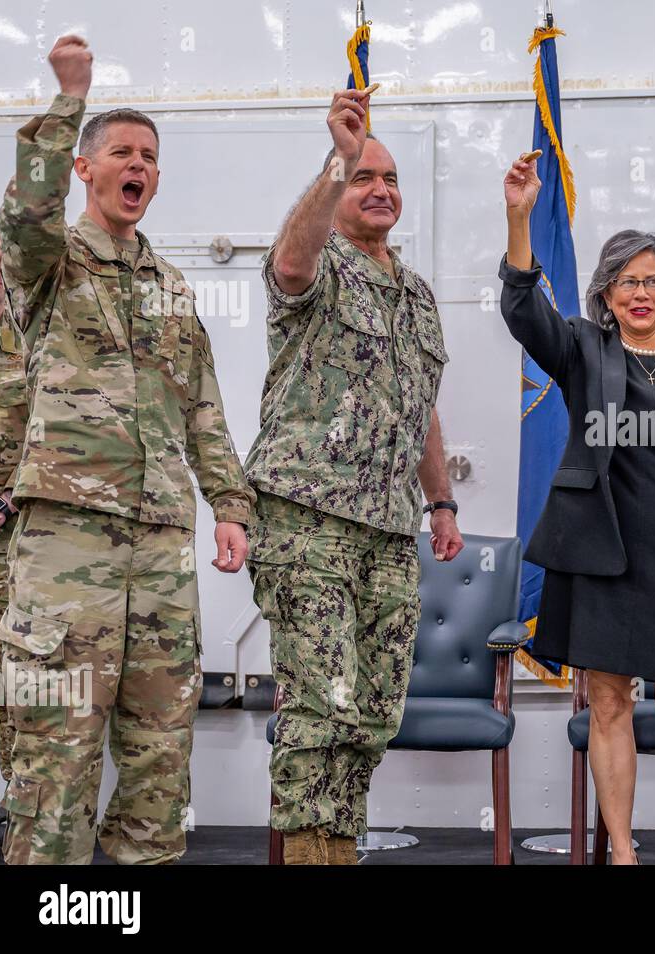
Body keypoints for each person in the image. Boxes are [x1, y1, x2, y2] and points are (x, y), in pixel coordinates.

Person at [0, 35, 255, 864]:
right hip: (64, 550)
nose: (138, 166)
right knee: (55, 761)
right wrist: (70, 99)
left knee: (159, 760)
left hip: (160, 552)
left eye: (150, 156)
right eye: (121, 153)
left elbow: (204, 409)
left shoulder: (173, 286)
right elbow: (23, 215)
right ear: (86, 169)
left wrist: (232, 508)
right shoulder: (48, 265)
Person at [500, 155, 655, 865]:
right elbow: (523, 309)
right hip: (599, 558)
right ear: (605, 296)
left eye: (652, 280)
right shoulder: (583, 350)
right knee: (607, 706)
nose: (640, 292)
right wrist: (520, 217)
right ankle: (621, 851)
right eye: (625, 282)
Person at [245, 89, 463, 865]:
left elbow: (421, 406)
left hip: (388, 530)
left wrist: (440, 501)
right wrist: (337, 159)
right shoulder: (318, 264)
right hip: (306, 518)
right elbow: (290, 262)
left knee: (371, 713)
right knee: (319, 706)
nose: (380, 188)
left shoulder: (418, 295)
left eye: (390, 178)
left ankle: (338, 850)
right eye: (364, 176)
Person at [0, 221, 26, 847]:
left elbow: (67, 428)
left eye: (1, 257)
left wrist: (7, 498)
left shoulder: (36, 342)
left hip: (16, 547)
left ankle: (23, 814)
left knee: (20, 693)